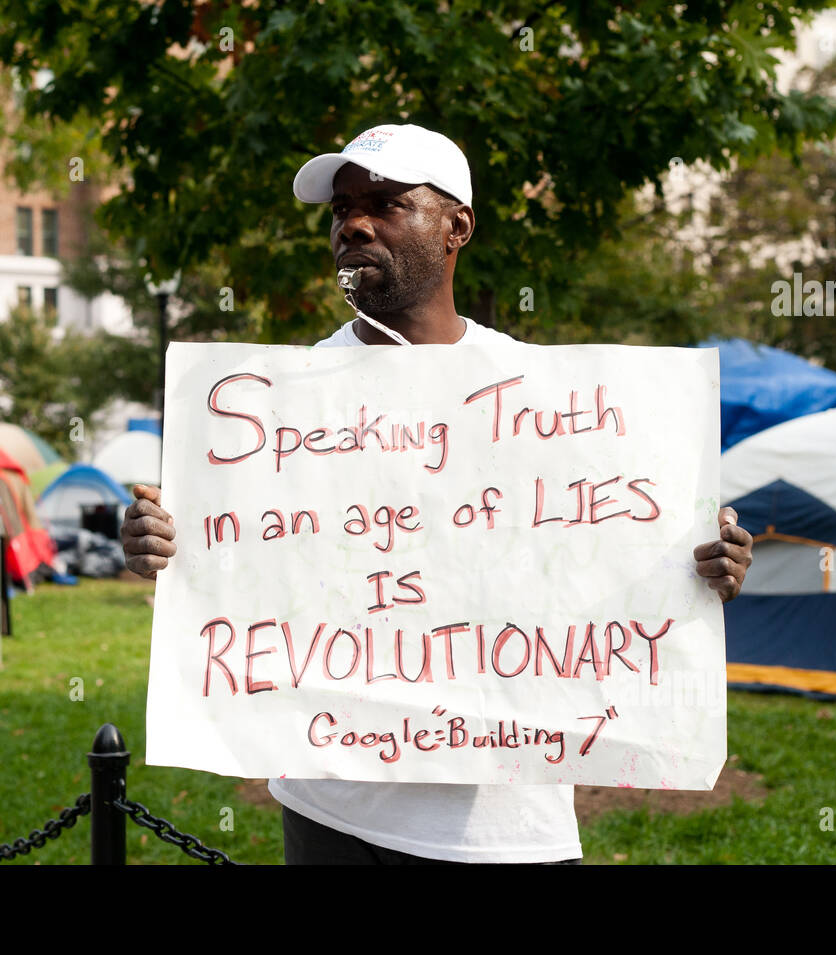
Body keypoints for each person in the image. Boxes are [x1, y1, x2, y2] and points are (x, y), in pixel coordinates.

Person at [121, 123, 754, 865]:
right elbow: (233, 563)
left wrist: (702, 568)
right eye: (341, 208)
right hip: (333, 814)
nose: (352, 223)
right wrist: (158, 544)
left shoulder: (547, 396)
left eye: (385, 203)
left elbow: (615, 553)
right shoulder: (268, 408)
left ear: (457, 226)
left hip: (506, 827)